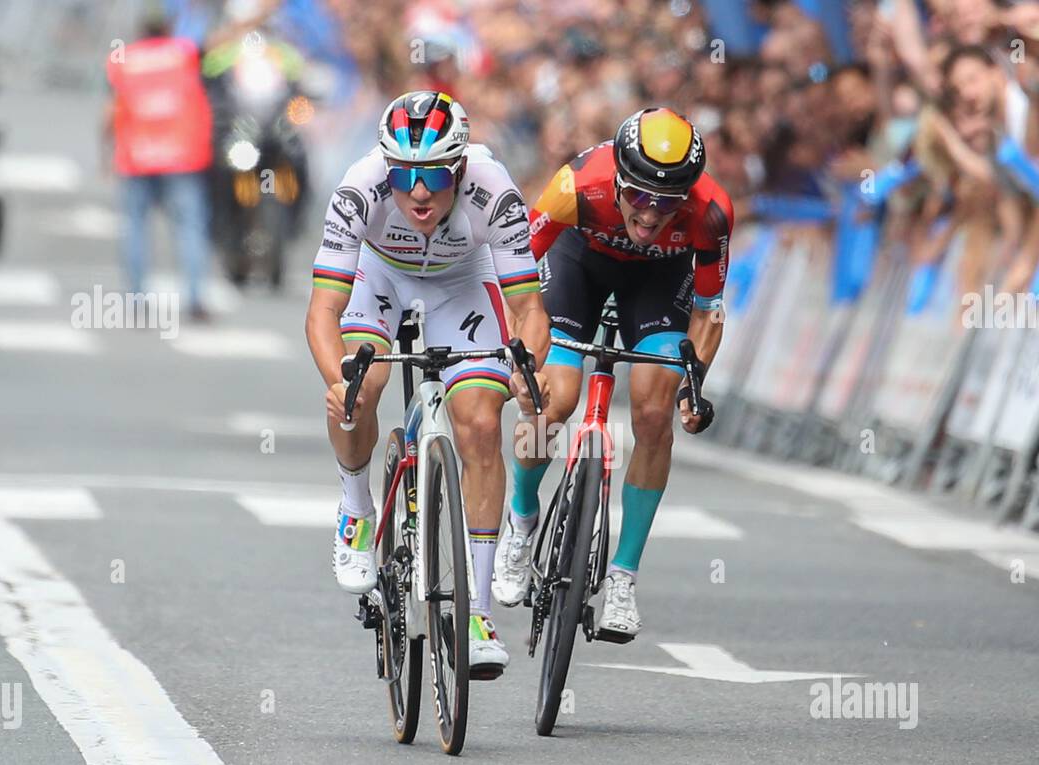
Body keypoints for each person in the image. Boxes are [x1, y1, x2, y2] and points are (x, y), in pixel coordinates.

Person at [305, 90, 550, 678]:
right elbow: (321, 314)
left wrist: (527, 368)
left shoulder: (494, 190)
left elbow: (529, 310)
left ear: (461, 167)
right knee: (360, 387)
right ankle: (356, 507)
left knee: (482, 423)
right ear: (386, 166)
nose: (418, 191)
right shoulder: (359, 189)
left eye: (436, 176)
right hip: (381, 277)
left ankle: (479, 612)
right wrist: (338, 380)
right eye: (404, 175)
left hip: (464, 282)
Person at [491, 107, 729, 639]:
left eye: (667, 204)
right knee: (553, 400)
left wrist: (695, 385)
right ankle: (521, 519)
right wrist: (516, 351)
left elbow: (709, 311)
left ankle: (623, 578)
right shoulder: (574, 186)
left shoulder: (711, 212)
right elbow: (516, 275)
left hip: (659, 282)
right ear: (617, 180)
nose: (649, 215)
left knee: (653, 410)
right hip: (579, 265)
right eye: (639, 196)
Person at [105, 14, 214, 320]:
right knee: (190, 227)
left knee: (136, 229)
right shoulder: (184, 53)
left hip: (137, 157)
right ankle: (194, 297)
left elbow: (112, 107)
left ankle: (137, 301)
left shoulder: (125, 60)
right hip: (181, 157)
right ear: (167, 31)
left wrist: (105, 153)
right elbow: (221, 41)